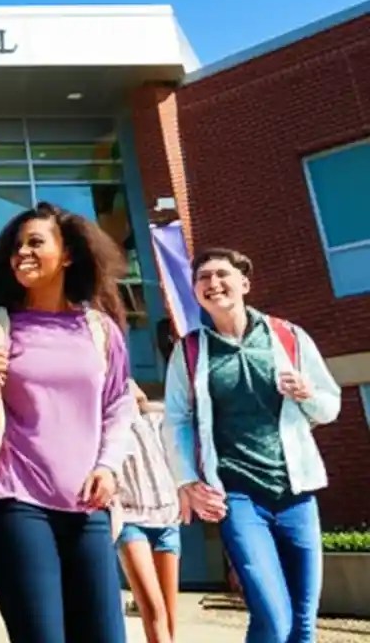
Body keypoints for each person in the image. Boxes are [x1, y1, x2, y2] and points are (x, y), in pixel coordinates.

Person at [0, 201, 135, 643]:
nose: (21, 252)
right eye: (16, 246)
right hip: (10, 499)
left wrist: (108, 465)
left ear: (67, 255)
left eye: (35, 242)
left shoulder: (100, 329)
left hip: (85, 503)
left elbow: (119, 404)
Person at [164, 248, 341, 643]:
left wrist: (308, 393)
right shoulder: (191, 351)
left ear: (244, 283)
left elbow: (329, 406)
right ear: (195, 293)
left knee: (303, 626)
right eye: (202, 278)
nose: (212, 284)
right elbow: (175, 420)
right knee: (274, 619)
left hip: (297, 494)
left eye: (221, 274)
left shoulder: (288, 336)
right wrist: (187, 481)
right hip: (239, 498)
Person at [114, 379, 182, 643]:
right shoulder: (107, 428)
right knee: (153, 610)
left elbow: (183, 412)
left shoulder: (155, 420)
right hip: (132, 520)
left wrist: (143, 403)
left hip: (168, 519)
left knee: (169, 619)